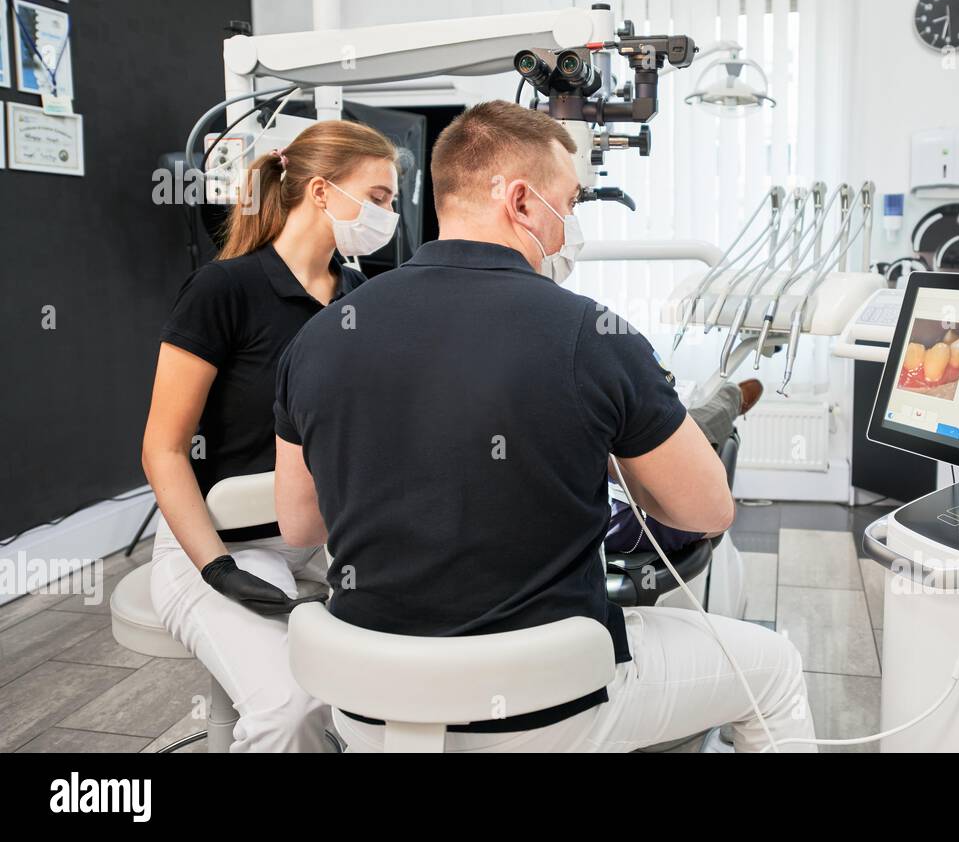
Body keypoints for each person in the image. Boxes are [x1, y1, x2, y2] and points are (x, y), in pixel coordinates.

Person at [274, 100, 815, 752]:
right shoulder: (592, 334)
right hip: (544, 708)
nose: (572, 226)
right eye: (571, 201)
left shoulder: (319, 337)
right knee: (775, 669)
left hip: (370, 704)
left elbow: (301, 528)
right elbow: (705, 511)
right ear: (523, 202)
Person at [141, 120, 400, 752]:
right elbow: (163, 449)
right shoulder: (223, 290)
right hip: (221, 541)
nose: (388, 217)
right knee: (293, 709)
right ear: (319, 192)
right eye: (379, 198)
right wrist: (217, 566)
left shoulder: (360, 296)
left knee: (401, 680)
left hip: (324, 532)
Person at [604, 378, 763, 555]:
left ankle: (732, 398)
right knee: (718, 507)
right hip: (607, 517)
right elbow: (721, 515)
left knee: (677, 423)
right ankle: (734, 398)